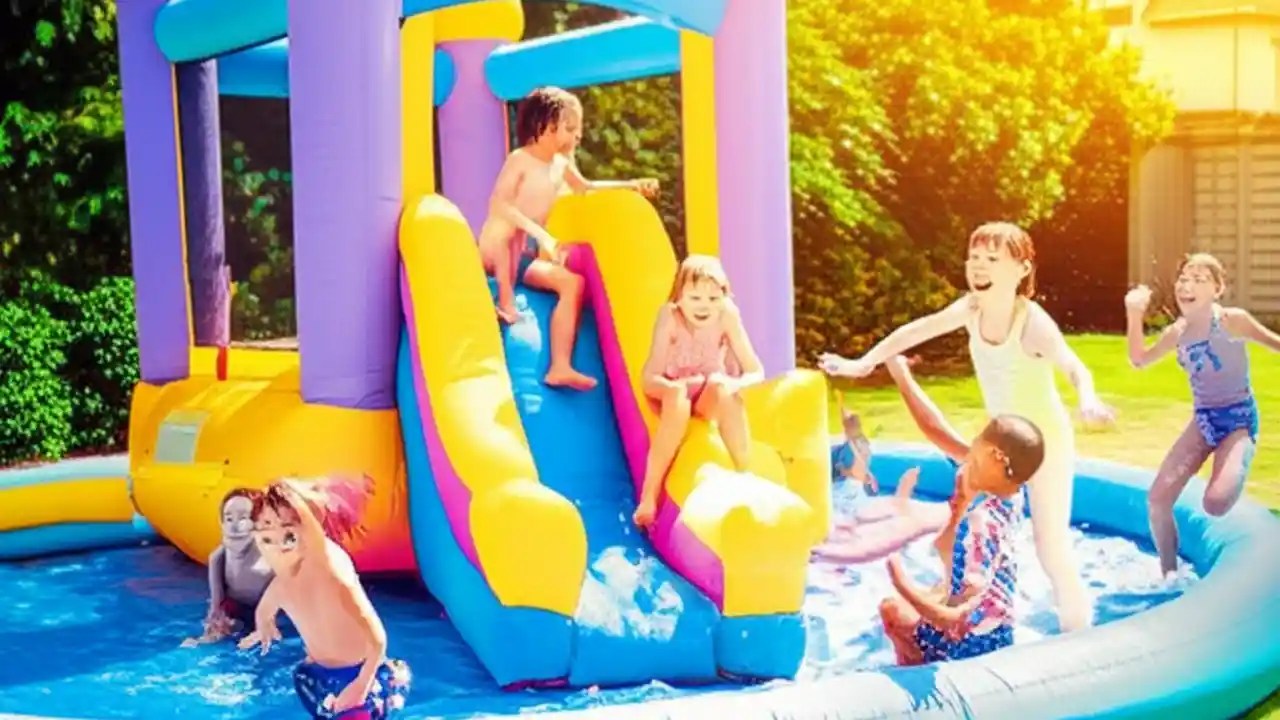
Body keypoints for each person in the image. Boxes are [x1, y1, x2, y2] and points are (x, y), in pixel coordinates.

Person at [819, 222, 1111, 633]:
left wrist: (1088, 398)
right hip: (997, 444)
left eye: (992, 259)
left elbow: (1072, 366)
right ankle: (961, 614)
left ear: (1022, 269)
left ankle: (1076, 635)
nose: (978, 266)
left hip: (1044, 445)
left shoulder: (1032, 322)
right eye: (974, 257)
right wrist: (861, 363)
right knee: (967, 531)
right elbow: (915, 331)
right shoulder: (970, 309)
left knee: (1050, 547)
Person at [478, 85, 660, 391]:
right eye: (570, 128)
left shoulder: (560, 164)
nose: (577, 136)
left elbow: (584, 187)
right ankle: (506, 302)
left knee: (572, 283)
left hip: (525, 260)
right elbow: (500, 205)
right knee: (507, 233)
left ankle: (560, 366)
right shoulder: (520, 160)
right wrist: (544, 237)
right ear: (544, 126)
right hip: (494, 253)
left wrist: (631, 185)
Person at [875, 357, 1047, 664]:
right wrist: (902, 377)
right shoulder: (1011, 491)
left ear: (994, 455)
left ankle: (917, 673)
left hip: (971, 644)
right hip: (999, 628)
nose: (970, 447)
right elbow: (936, 429)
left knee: (893, 609)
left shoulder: (981, 523)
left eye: (978, 439)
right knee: (937, 588)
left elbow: (955, 620)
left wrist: (900, 580)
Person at [1125, 253, 1279, 579]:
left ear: (1217, 289)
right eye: (1184, 277)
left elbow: (1274, 342)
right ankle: (1170, 577)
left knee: (1216, 503)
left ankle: (1238, 457)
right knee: (1157, 500)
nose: (1188, 284)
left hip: (1238, 421)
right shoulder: (1177, 334)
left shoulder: (1230, 321)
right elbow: (1139, 359)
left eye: (1199, 279)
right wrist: (1133, 313)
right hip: (1205, 421)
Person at [238, 477, 410, 719]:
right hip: (315, 675)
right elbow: (267, 606)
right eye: (267, 539)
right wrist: (264, 623)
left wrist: (361, 685)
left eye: (289, 537)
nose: (279, 548)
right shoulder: (282, 582)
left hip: (362, 670)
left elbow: (378, 639)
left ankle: (392, 679)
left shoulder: (331, 571)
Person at [632, 255, 766, 529]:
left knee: (724, 387)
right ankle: (649, 496)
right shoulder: (669, 317)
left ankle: (744, 473)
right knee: (679, 396)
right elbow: (650, 377)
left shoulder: (728, 315)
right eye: (694, 298)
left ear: (724, 297)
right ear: (679, 296)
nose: (704, 307)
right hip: (672, 391)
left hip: (707, 394)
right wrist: (671, 388)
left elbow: (755, 370)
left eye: (713, 299)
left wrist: (735, 383)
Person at [183, 488, 274, 647]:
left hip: (271, 611)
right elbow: (216, 608)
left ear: (259, 522)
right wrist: (211, 631)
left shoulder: (272, 556)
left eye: (243, 518)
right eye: (229, 518)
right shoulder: (219, 557)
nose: (234, 526)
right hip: (237, 609)